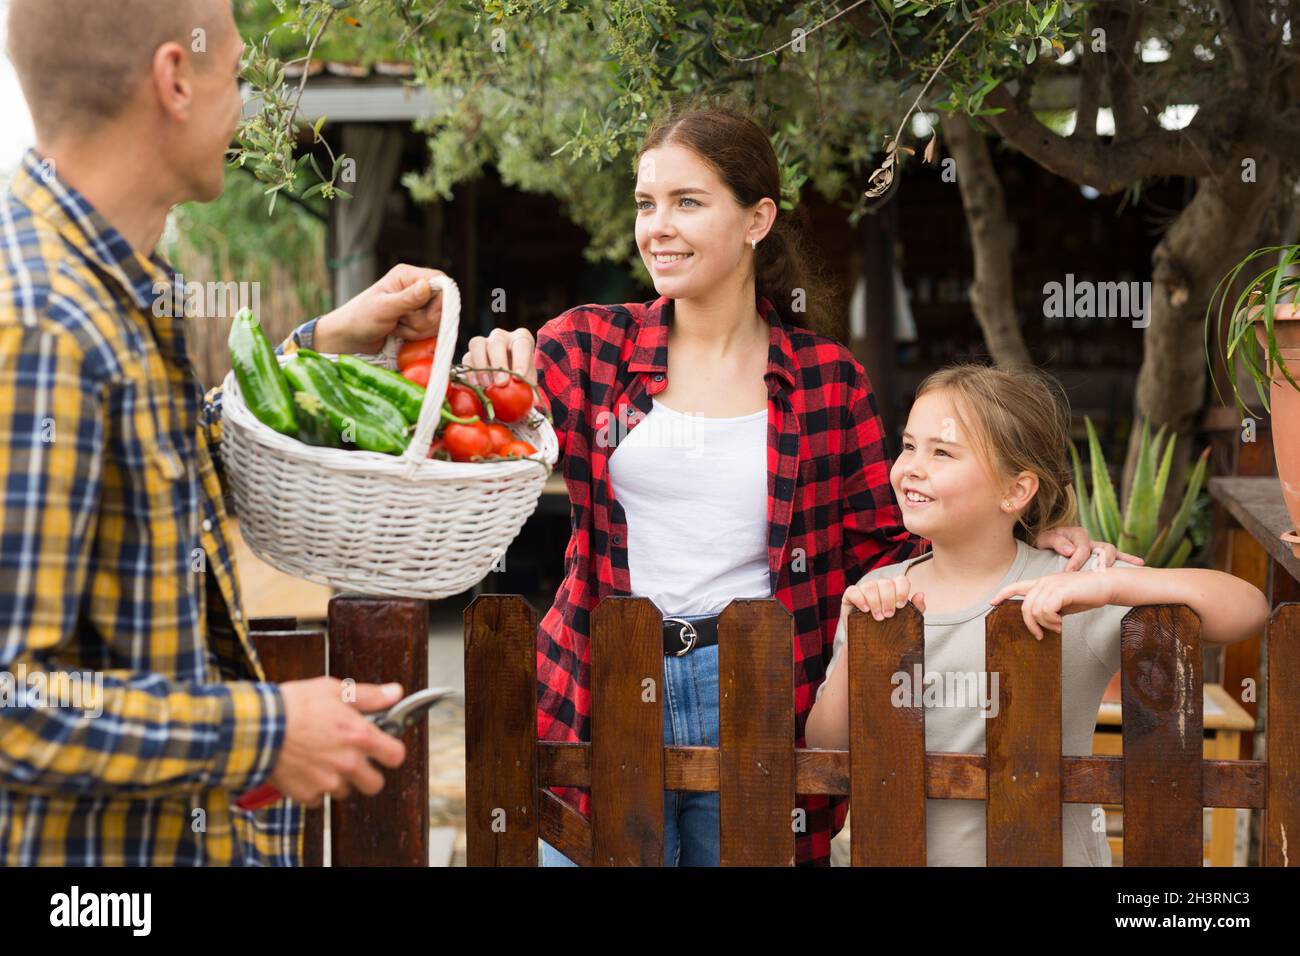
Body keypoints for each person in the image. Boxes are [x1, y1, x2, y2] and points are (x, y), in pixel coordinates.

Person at [461, 105, 1128, 866]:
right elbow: (473, 443)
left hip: (761, 689)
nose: (658, 227)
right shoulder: (587, 346)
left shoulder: (825, 379)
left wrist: (1030, 533)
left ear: (757, 219)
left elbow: (893, 539)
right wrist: (492, 377)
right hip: (602, 679)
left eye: (688, 202)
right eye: (647, 203)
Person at [0, 0, 448, 865]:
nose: (244, 104)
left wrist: (314, 352)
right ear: (174, 79)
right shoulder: (44, 326)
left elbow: (165, 458)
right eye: (236, 74)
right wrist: (264, 729)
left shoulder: (113, 286)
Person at [805, 363, 1269, 865]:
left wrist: (1110, 584)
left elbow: (1248, 609)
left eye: (942, 452)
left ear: (1015, 491)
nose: (912, 466)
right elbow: (826, 748)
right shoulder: (877, 592)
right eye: (909, 445)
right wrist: (858, 638)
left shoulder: (1072, 591)